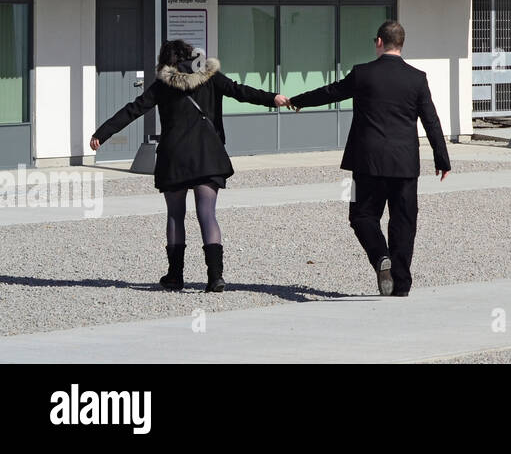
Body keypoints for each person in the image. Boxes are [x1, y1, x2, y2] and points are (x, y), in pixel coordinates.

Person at [89, 40, 290, 292]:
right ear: (192, 56)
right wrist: (274, 98)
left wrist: (102, 133)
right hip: (208, 155)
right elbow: (241, 92)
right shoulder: (211, 77)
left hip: (175, 158)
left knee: (176, 215)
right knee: (207, 214)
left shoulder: (163, 84)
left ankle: (175, 277)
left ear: (167, 61)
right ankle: (215, 277)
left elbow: (135, 109)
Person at [289, 20, 450, 297]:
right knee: (403, 222)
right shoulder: (417, 78)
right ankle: (400, 286)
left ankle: (379, 256)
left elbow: (331, 92)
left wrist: (298, 100)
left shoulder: (363, 74)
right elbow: (431, 120)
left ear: (379, 42)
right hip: (404, 164)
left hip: (367, 163)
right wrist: (442, 158)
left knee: (362, 216)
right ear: (401, 43)